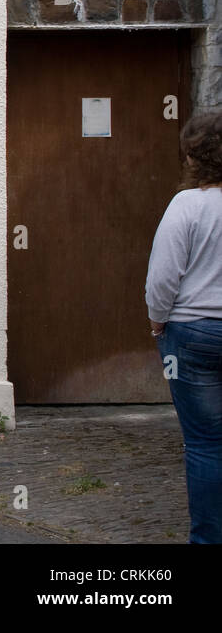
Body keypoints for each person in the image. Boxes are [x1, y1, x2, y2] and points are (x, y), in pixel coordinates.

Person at [146, 109, 222, 543]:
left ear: (194, 156)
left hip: (191, 335)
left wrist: (158, 323)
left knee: (206, 443)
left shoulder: (187, 206)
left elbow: (163, 278)